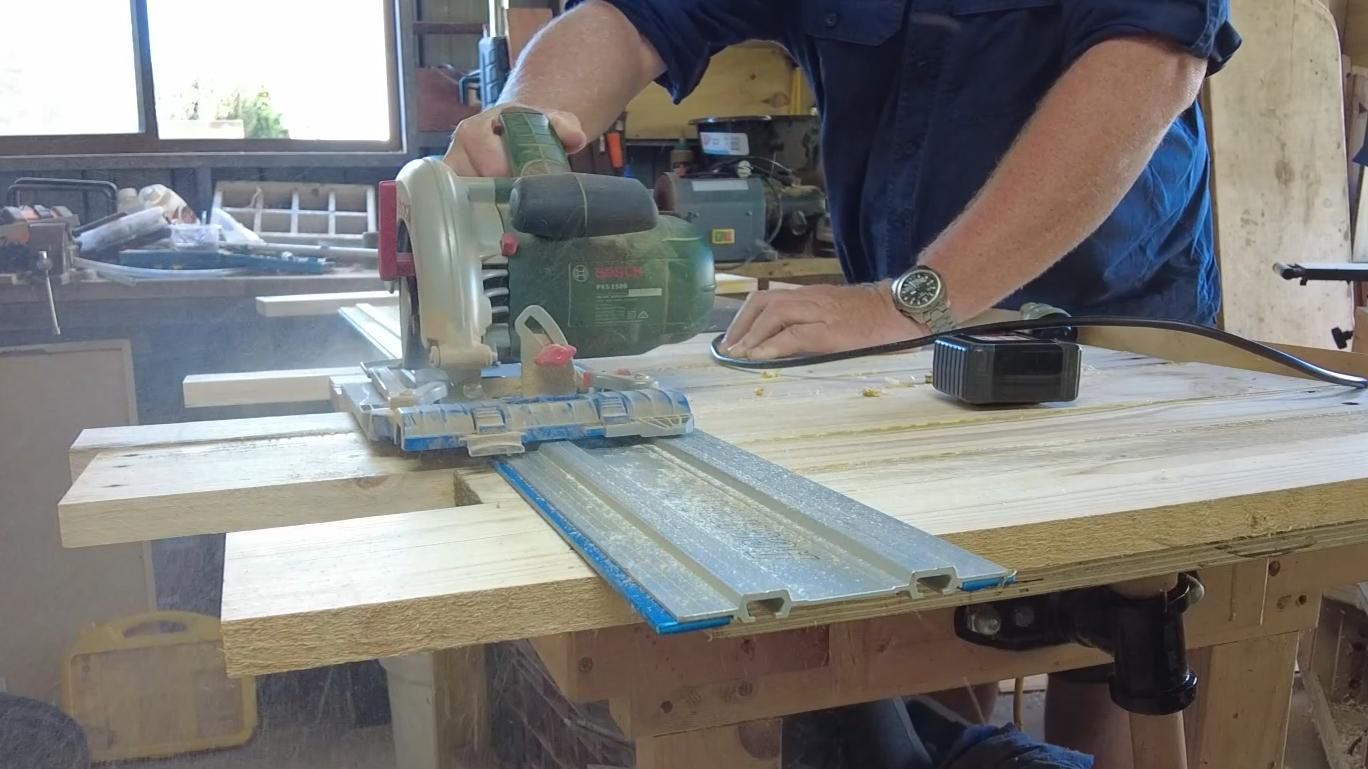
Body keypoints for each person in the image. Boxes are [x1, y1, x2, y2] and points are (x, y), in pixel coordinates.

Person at [444, 2, 1241, 765]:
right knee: (924, 634)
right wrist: (528, 127)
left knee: (1112, 656)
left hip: (1109, 340)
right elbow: (632, 17)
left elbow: (1152, 60)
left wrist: (914, 299)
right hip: (905, 347)